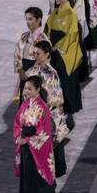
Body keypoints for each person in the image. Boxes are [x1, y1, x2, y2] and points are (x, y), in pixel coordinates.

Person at [14, 75, 57, 193]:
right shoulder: (25, 105)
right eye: (25, 88)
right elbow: (18, 123)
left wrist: (28, 140)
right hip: (27, 148)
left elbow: (45, 133)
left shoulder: (42, 107)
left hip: (37, 150)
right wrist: (19, 136)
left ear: (38, 89)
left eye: (30, 89)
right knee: (31, 182)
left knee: (38, 181)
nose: (26, 91)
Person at [28, 41, 72, 178]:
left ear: (47, 54)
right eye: (34, 53)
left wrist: (43, 107)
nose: (36, 56)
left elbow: (57, 97)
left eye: (39, 54)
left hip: (50, 115)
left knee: (53, 144)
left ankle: (54, 171)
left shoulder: (52, 73)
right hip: (35, 114)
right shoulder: (32, 71)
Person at [45, 0, 85, 110]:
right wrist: (46, 44)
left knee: (66, 79)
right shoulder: (54, 13)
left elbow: (72, 35)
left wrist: (57, 47)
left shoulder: (71, 14)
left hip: (66, 51)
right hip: (53, 49)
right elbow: (47, 29)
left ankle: (69, 106)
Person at [12, 7, 48, 103]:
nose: (27, 22)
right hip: (24, 70)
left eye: (30, 19)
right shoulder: (24, 36)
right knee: (24, 103)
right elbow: (17, 54)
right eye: (26, 19)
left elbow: (44, 60)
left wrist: (29, 74)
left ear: (39, 20)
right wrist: (20, 70)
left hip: (36, 75)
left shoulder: (43, 39)